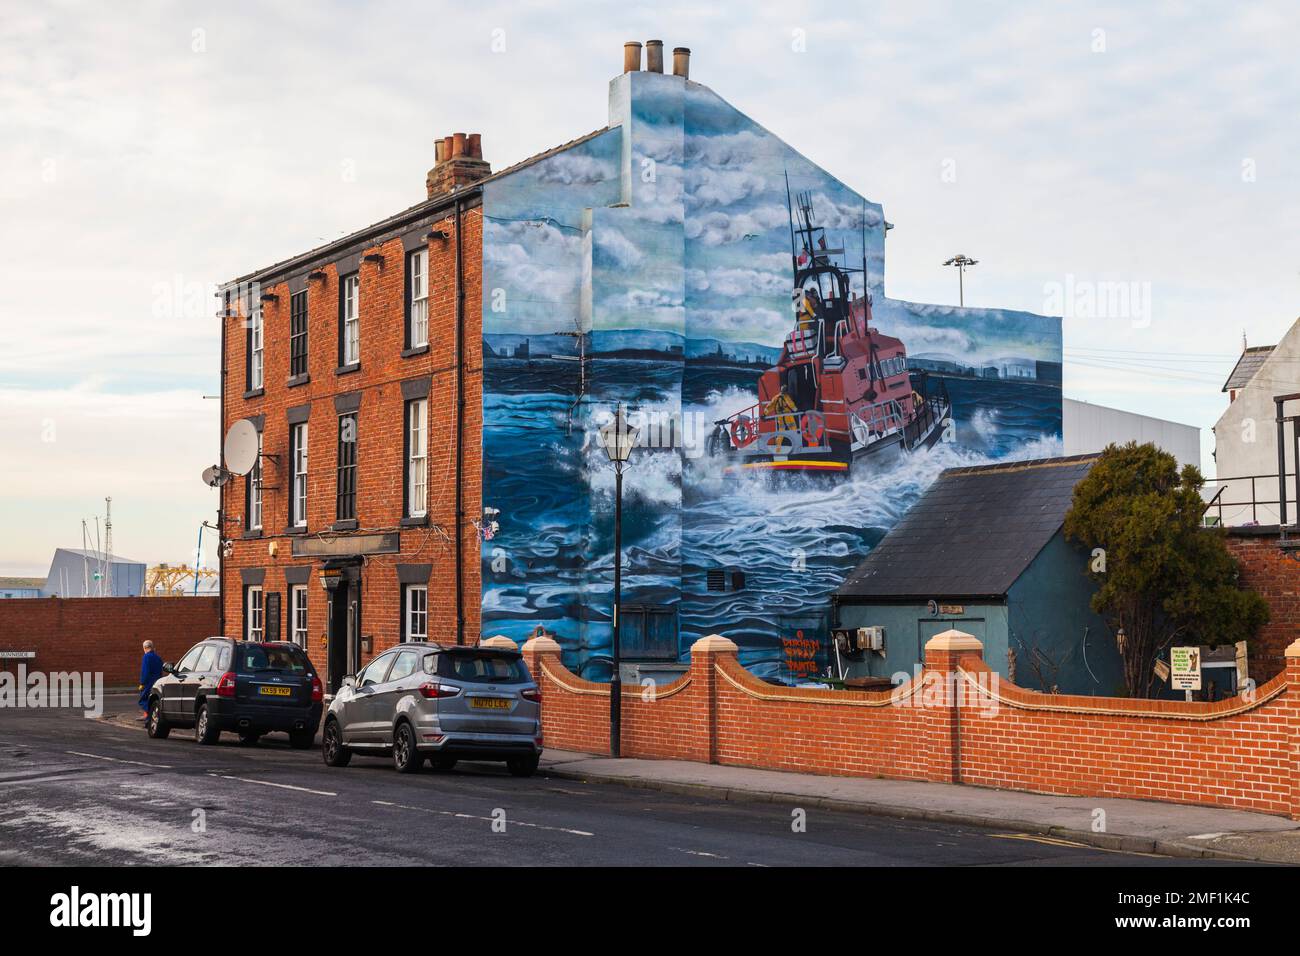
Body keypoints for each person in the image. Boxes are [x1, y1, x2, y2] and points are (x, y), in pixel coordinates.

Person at [138, 641, 163, 721]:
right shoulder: (158, 657)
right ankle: (149, 716)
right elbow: (160, 671)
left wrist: (142, 683)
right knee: (151, 699)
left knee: (143, 700)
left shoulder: (146, 657)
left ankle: (149, 716)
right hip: (157, 682)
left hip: (148, 682)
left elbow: (145, 671)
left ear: (144, 648)